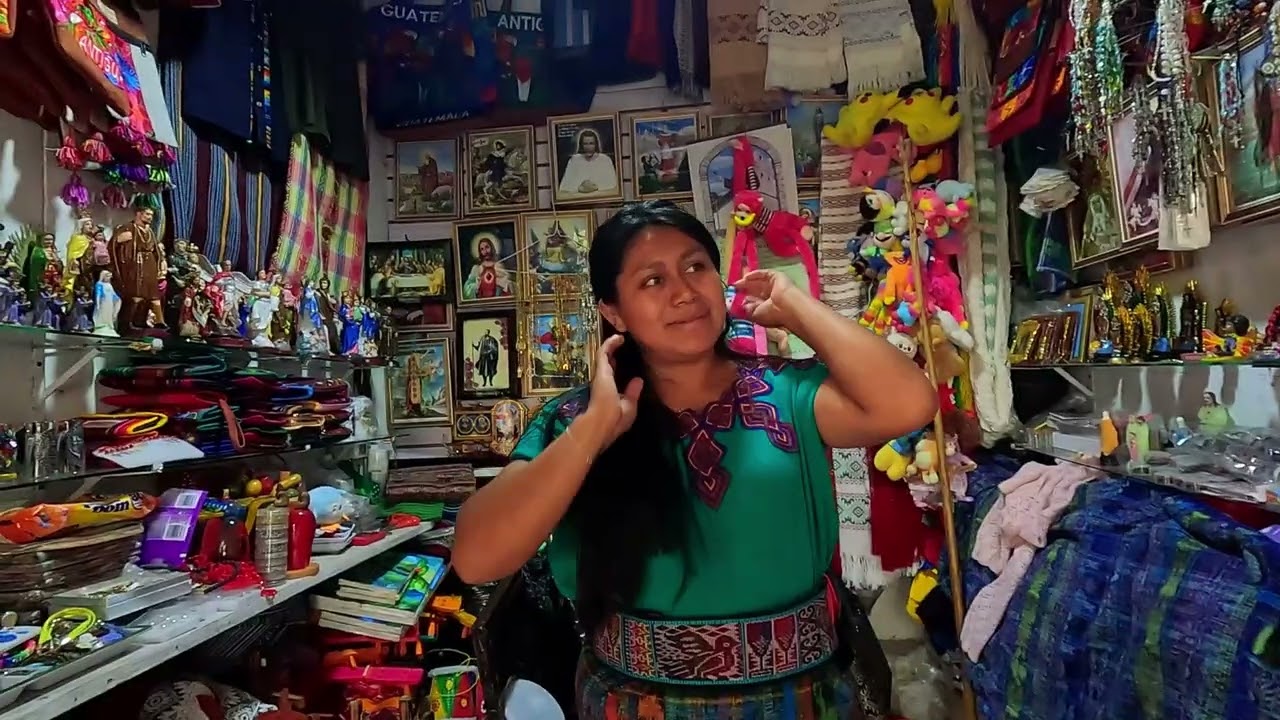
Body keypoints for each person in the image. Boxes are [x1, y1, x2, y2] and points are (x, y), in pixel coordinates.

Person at [454, 201, 936, 719]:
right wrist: (590, 433)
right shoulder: (572, 418)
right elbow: (477, 557)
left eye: (696, 266)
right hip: (635, 703)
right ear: (613, 311)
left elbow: (909, 403)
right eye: (652, 281)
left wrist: (796, 306)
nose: (684, 291)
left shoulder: (786, 391)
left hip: (801, 699)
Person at [557, 128, 618, 198]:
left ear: (596, 145)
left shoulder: (605, 160)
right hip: (578, 199)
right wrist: (581, 188)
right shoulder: (574, 160)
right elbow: (565, 186)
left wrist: (594, 187)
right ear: (581, 145)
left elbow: (613, 184)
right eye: (585, 144)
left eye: (591, 143)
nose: (588, 147)